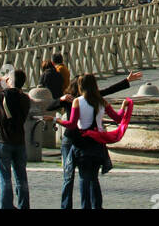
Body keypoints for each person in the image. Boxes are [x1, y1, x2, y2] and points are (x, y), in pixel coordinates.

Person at [55, 70, 141, 209]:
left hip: (82, 144)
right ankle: (97, 206)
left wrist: (57, 120)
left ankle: (85, 206)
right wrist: (123, 107)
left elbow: (71, 124)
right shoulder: (101, 100)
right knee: (94, 179)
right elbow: (118, 118)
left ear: (80, 86)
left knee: (83, 178)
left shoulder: (78, 101)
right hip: (97, 143)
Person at [0, 68, 31, 210]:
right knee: (21, 177)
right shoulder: (26, 99)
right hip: (20, 141)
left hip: (3, 140)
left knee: (5, 178)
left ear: (10, 80)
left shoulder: (3, 95)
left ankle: (6, 207)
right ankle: (24, 206)